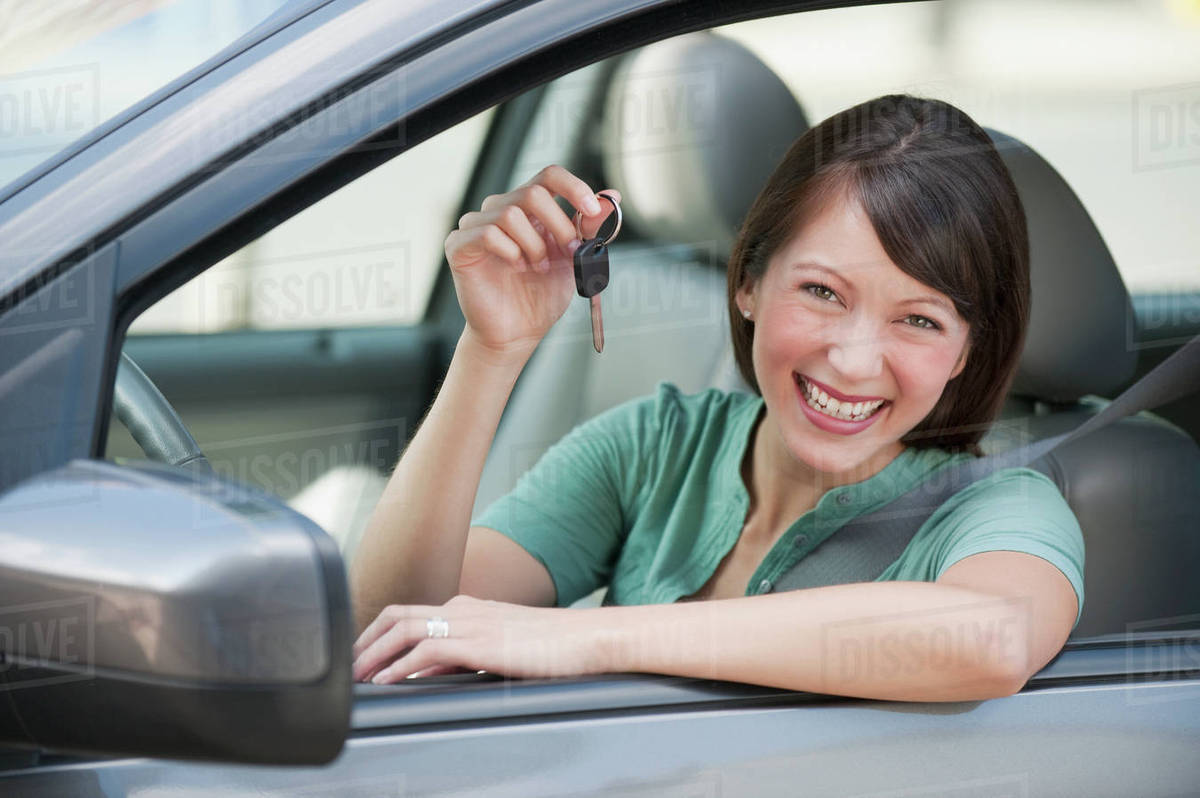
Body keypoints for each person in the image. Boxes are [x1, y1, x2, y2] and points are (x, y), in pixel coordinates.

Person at [348, 94, 1085, 702]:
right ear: (748, 284)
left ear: (966, 351)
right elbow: (389, 629)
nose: (855, 361)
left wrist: (590, 636)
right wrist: (491, 349)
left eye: (920, 320)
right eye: (822, 292)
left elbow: (994, 638)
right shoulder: (656, 446)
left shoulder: (1001, 507)